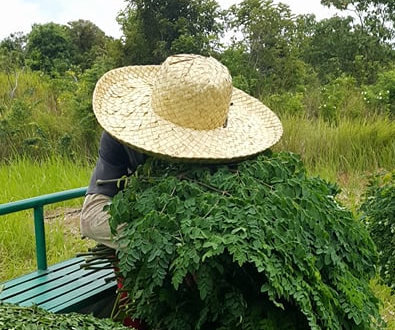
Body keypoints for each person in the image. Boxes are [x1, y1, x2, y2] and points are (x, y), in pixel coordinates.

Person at [81, 53, 283, 248]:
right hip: (148, 247)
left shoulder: (243, 151)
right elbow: (92, 216)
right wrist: (165, 240)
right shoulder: (118, 137)